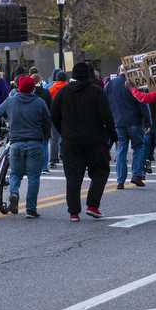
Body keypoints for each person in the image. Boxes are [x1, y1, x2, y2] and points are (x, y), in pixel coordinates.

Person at [50, 62, 116, 221]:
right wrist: (113, 136)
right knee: (101, 171)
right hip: (95, 141)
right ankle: (93, 205)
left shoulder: (63, 93)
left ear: (73, 75)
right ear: (89, 75)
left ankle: (74, 212)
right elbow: (107, 116)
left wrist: (64, 132)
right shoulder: (97, 93)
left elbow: (54, 115)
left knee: (73, 177)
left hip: (70, 142)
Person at [0, 75, 52, 217]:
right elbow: (48, 122)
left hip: (16, 142)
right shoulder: (40, 102)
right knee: (33, 176)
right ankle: (31, 209)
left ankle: (14, 193)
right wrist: (40, 132)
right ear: (32, 89)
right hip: (35, 142)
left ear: (18, 87)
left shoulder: (10, 101)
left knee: (15, 173)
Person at [106, 67, 149, 189]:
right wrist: (147, 122)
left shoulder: (110, 84)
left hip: (118, 122)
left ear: (119, 70)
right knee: (139, 147)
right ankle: (136, 174)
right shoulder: (136, 83)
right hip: (135, 121)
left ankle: (120, 181)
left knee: (121, 150)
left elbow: (105, 101)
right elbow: (142, 103)